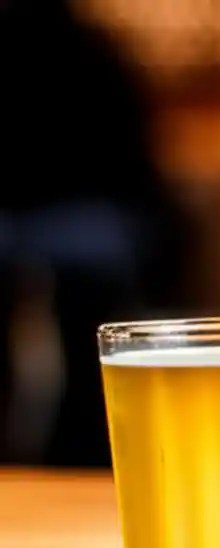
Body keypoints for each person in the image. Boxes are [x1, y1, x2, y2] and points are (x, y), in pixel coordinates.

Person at [0, 0, 174, 466]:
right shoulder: (96, 51)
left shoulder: (89, 53)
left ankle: (58, 450)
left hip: (72, 225)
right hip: (91, 228)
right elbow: (139, 165)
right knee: (89, 342)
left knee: (86, 326)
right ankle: (83, 450)